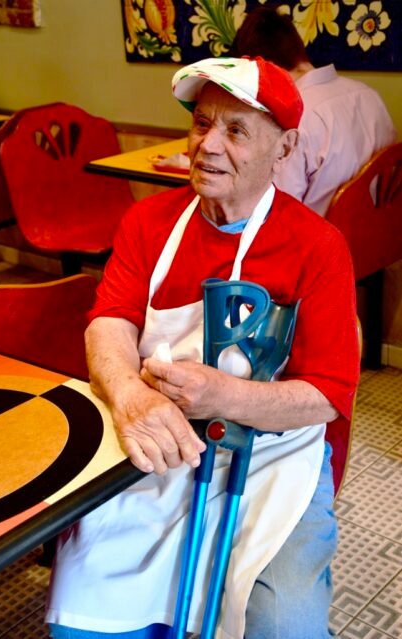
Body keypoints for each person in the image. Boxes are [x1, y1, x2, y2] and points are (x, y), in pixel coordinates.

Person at [45, 57, 360, 639]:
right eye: (201, 124)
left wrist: (225, 394)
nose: (208, 145)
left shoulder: (318, 247)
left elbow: (327, 395)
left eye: (236, 130)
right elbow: (108, 322)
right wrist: (131, 398)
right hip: (162, 438)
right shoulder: (148, 222)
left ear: (284, 146)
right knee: (90, 598)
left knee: (282, 623)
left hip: (273, 454)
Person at [228, 5, 396, 216]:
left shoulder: (293, 120)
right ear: (299, 49)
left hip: (321, 242)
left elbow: (278, 212)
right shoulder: (369, 95)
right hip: (383, 238)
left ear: (260, 66)